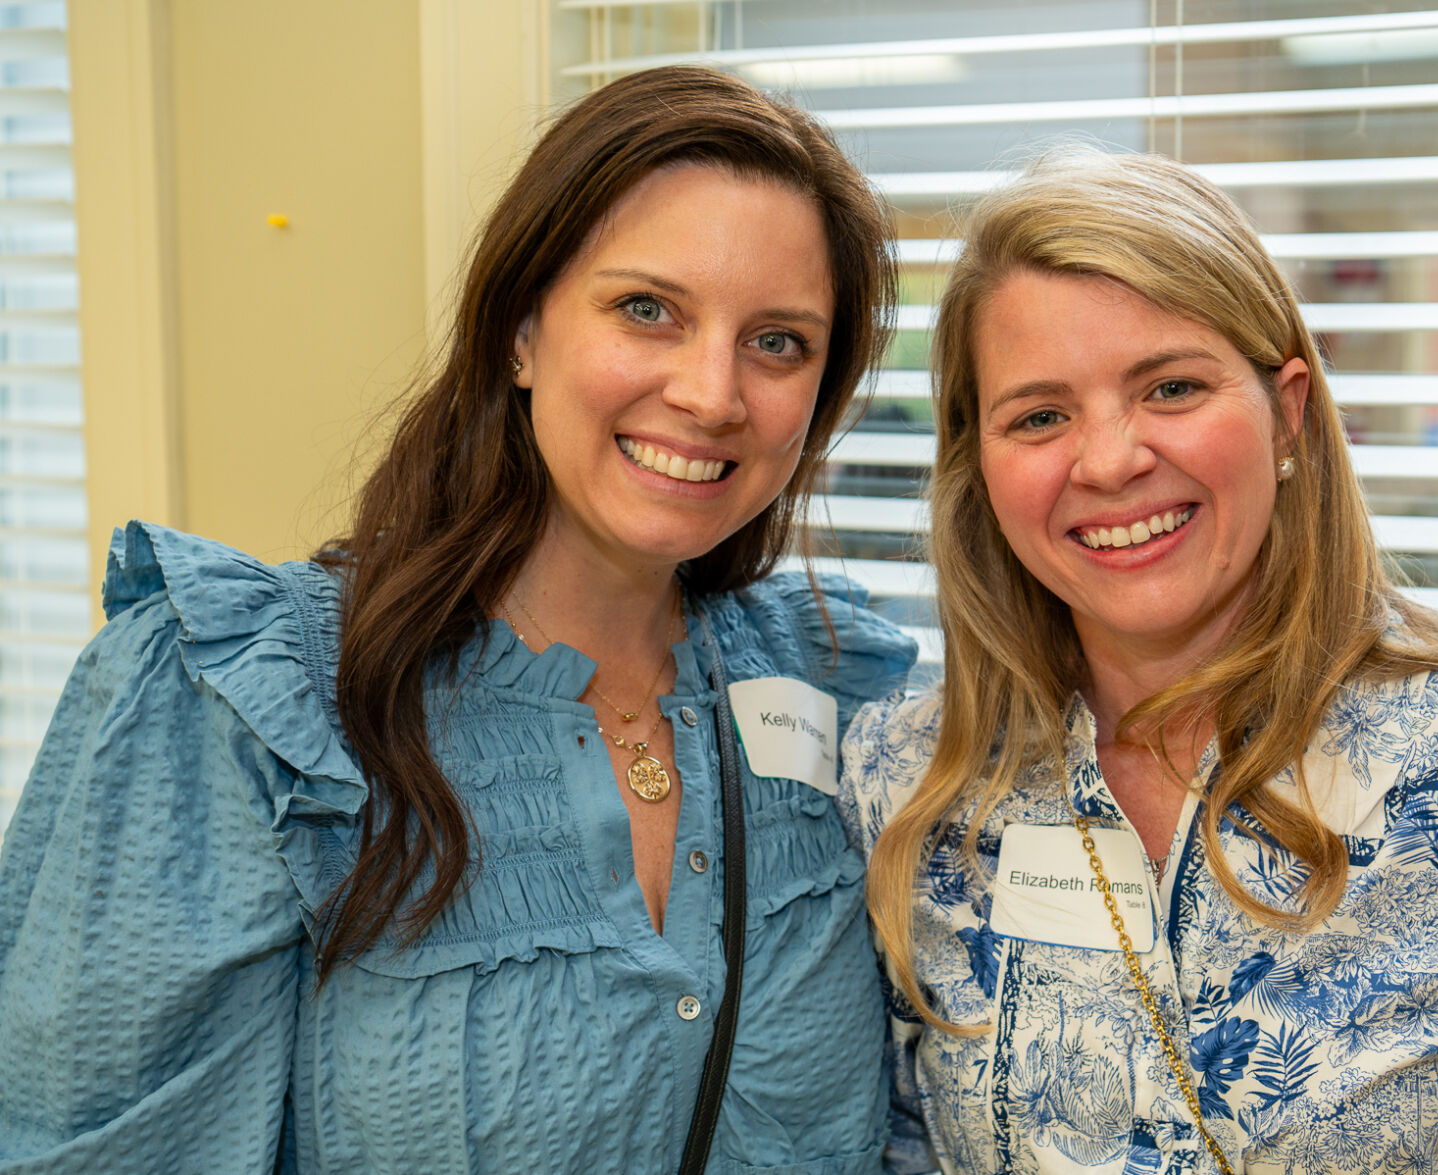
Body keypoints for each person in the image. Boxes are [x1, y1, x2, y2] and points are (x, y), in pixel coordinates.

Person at [0, 66, 916, 1172]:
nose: (712, 393)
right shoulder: (246, 701)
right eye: (646, 309)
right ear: (520, 329)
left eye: (777, 342)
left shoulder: (834, 684)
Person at [839, 147, 1438, 1174]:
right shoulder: (909, 785)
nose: (1107, 460)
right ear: (978, 460)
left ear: (1286, 409)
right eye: (1040, 416)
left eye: (1171, 387)